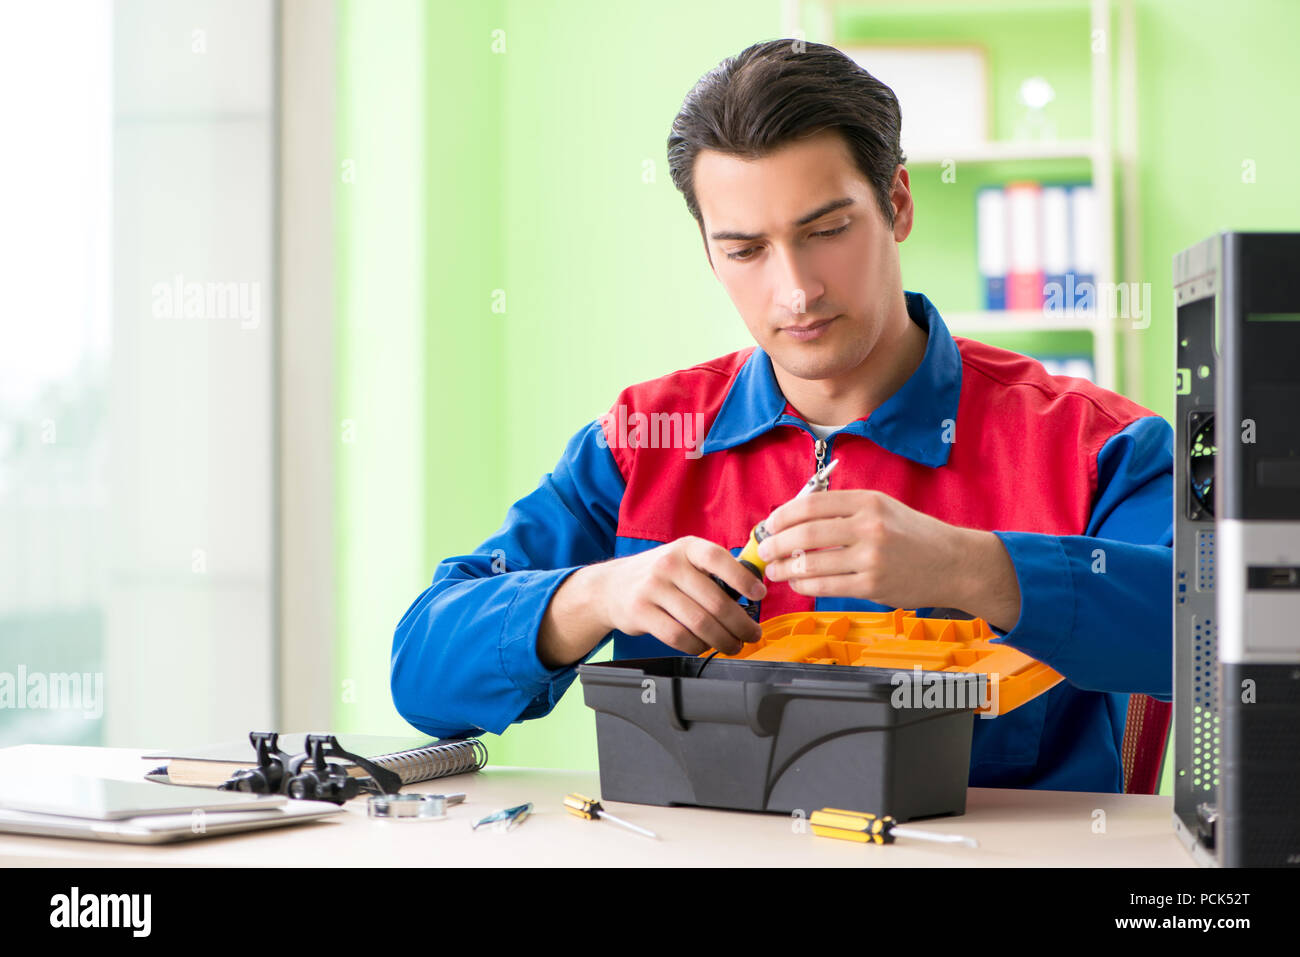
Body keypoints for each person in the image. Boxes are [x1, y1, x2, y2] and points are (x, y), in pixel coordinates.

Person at [391, 39, 1173, 792]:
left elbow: (1217, 638)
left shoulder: (1096, 445)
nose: (795, 289)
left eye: (826, 231)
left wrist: (970, 568)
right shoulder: (639, 442)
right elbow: (423, 671)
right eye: (744, 250)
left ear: (896, 203)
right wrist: (596, 594)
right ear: (707, 250)